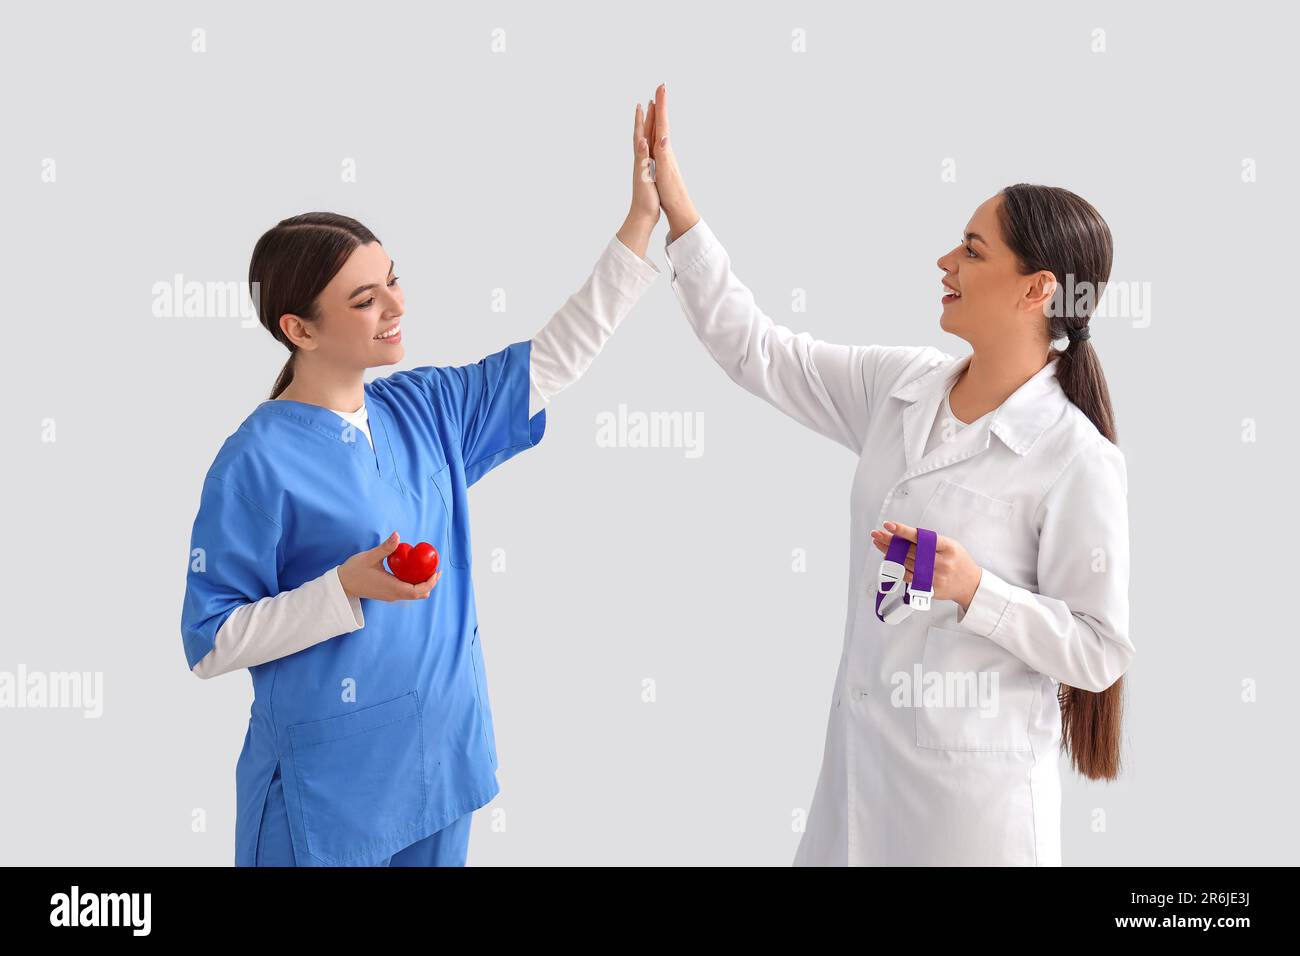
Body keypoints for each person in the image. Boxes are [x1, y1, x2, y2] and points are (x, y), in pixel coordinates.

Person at [646, 83, 1133, 866]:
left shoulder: (1074, 457)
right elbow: (758, 352)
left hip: (971, 818)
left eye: (973, 251)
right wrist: (678, 208)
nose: (946, 261)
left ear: (1039, 289)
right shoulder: (899, 388)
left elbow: (1100, 650)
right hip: (854, 790)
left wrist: (977, 590)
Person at [180, 98, 665, 867]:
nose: (396, 307)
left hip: (441, 768)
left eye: (393, 282)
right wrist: (343, 586)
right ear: (297, 329)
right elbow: (209, 643)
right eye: (364, 299)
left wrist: (640, 222)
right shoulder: (255, 461)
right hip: (330, 794)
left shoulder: (426, 408)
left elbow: (553, 358)